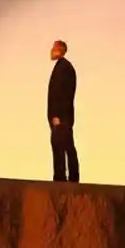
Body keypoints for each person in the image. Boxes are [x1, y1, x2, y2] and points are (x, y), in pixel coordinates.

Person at [48, 40, 79, 182]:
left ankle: (65, 178)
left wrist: (57, 115)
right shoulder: (62, 67)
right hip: (62, 117)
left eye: (54, 48)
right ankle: (63, 177)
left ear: (60, 50)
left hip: (62, 118)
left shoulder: (64, 68)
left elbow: (62, 94)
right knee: (62, 146)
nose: (51, 50)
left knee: (64, 146)